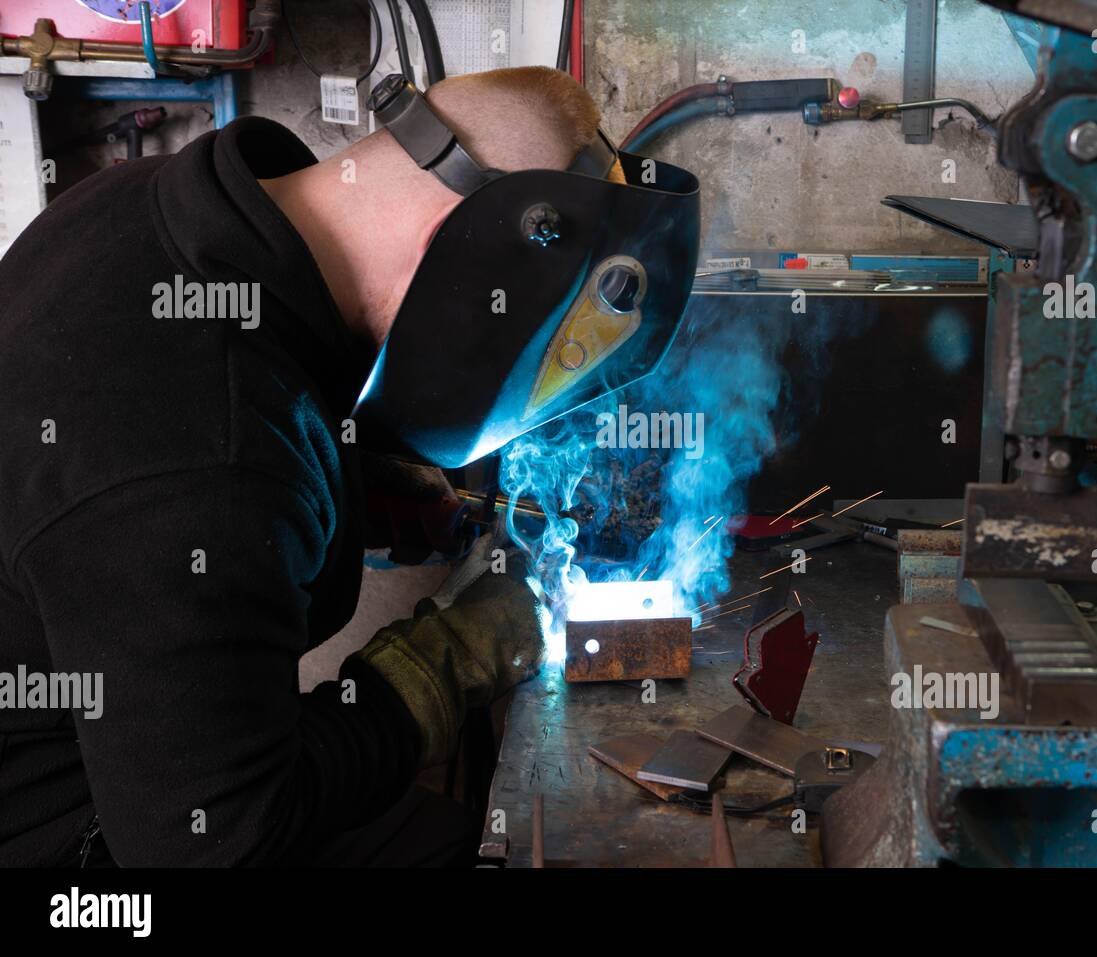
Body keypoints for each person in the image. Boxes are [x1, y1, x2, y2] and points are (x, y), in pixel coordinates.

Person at [0, 64, 698, 867]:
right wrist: (446, 663)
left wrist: (349, 486)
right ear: (457, 254)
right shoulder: (205, 457)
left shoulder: (168, 212)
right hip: (78, 836)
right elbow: (218, 842)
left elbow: (220, 429)